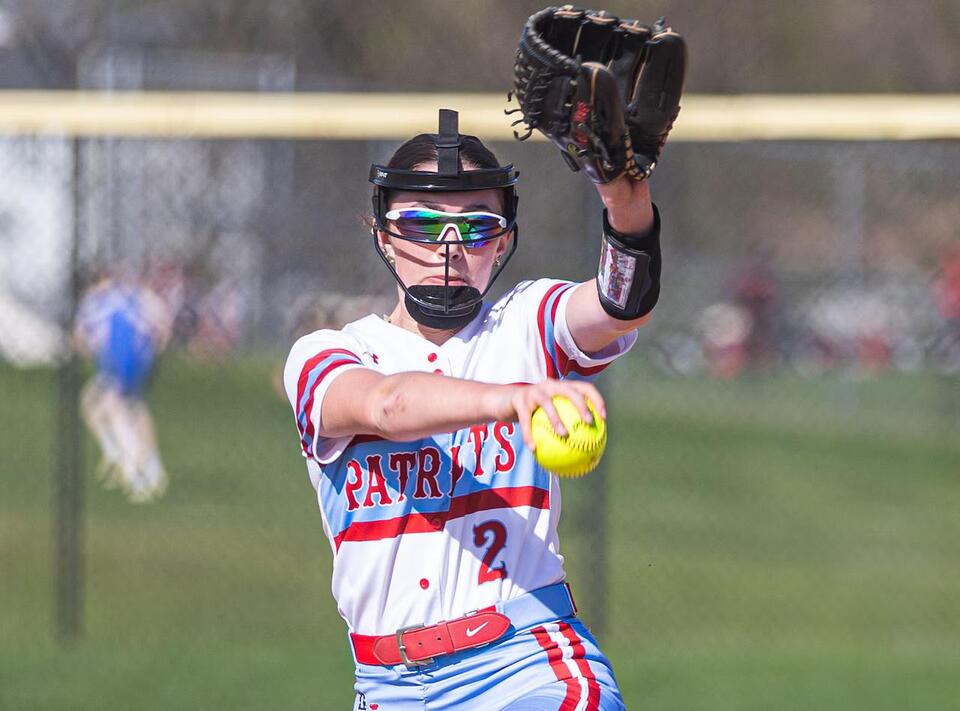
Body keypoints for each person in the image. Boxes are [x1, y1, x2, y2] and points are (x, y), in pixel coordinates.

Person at [283, 109, 662, 710]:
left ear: (505, 240)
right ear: (382, 234)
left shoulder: (527, 322)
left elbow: (621, 302)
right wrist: (510, 399)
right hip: (384, 687)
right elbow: (386, 404)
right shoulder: (329, 353)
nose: (450, 246)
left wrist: (625, 204)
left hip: (526, 663)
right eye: (422, 223)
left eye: (477, 226)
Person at [74, 269, 171, 503]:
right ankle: (146, 464)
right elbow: (162, 329)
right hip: (139, 359)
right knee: (125, 407)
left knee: (112, 407)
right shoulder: (135, 295)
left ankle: (132, 466)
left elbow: (80, 339)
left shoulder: (96, 301)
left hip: (118, 359)